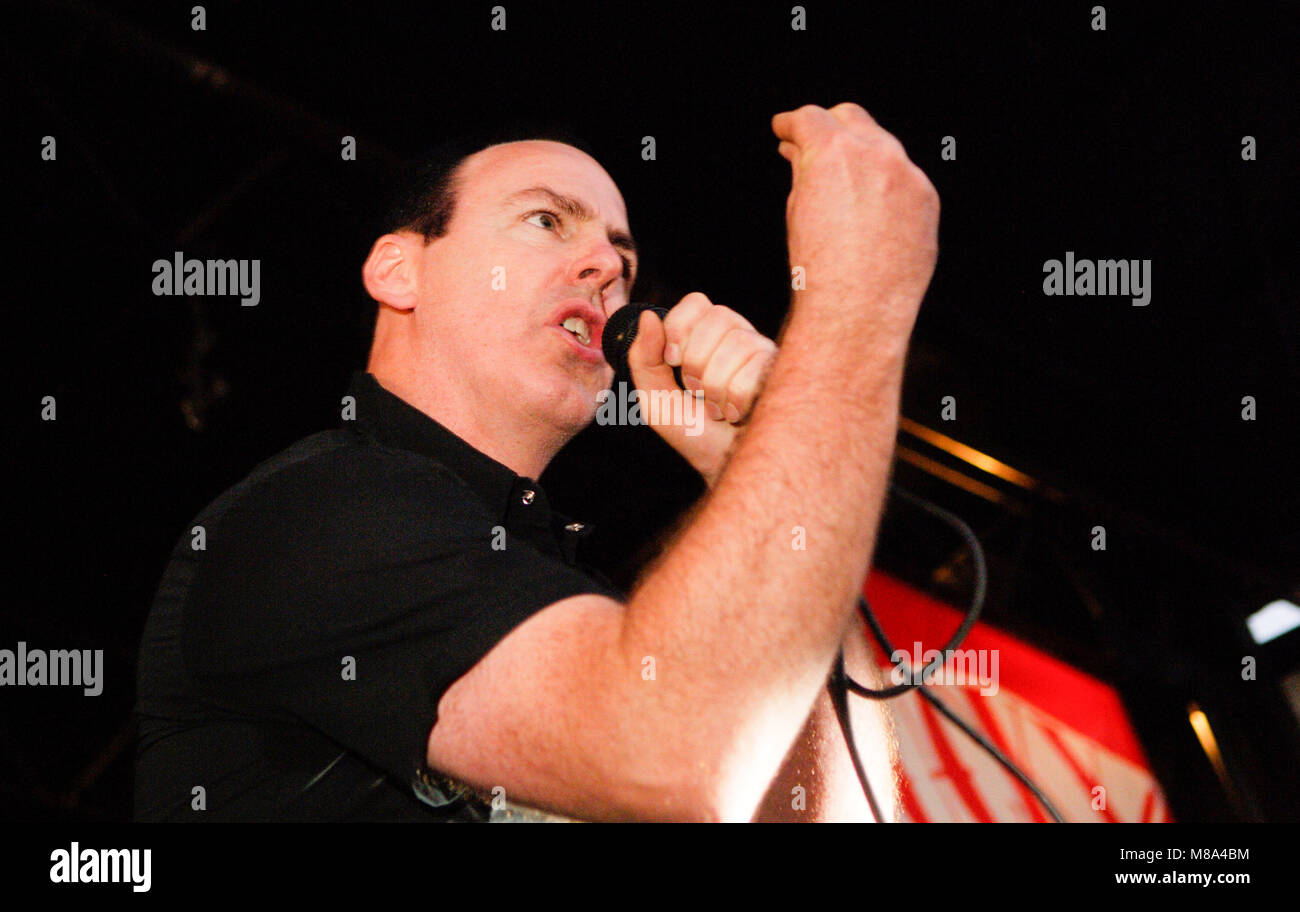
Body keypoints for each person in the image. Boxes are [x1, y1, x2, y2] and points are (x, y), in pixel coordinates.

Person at [134, 103, 939, 822]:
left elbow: (818, 812)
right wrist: (853, 301)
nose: (606, 267)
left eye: (621, 257)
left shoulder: (565, 589)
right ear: (398, 270)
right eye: (548, 221)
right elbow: (671, 752)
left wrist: (752, 476)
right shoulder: (319, 513)